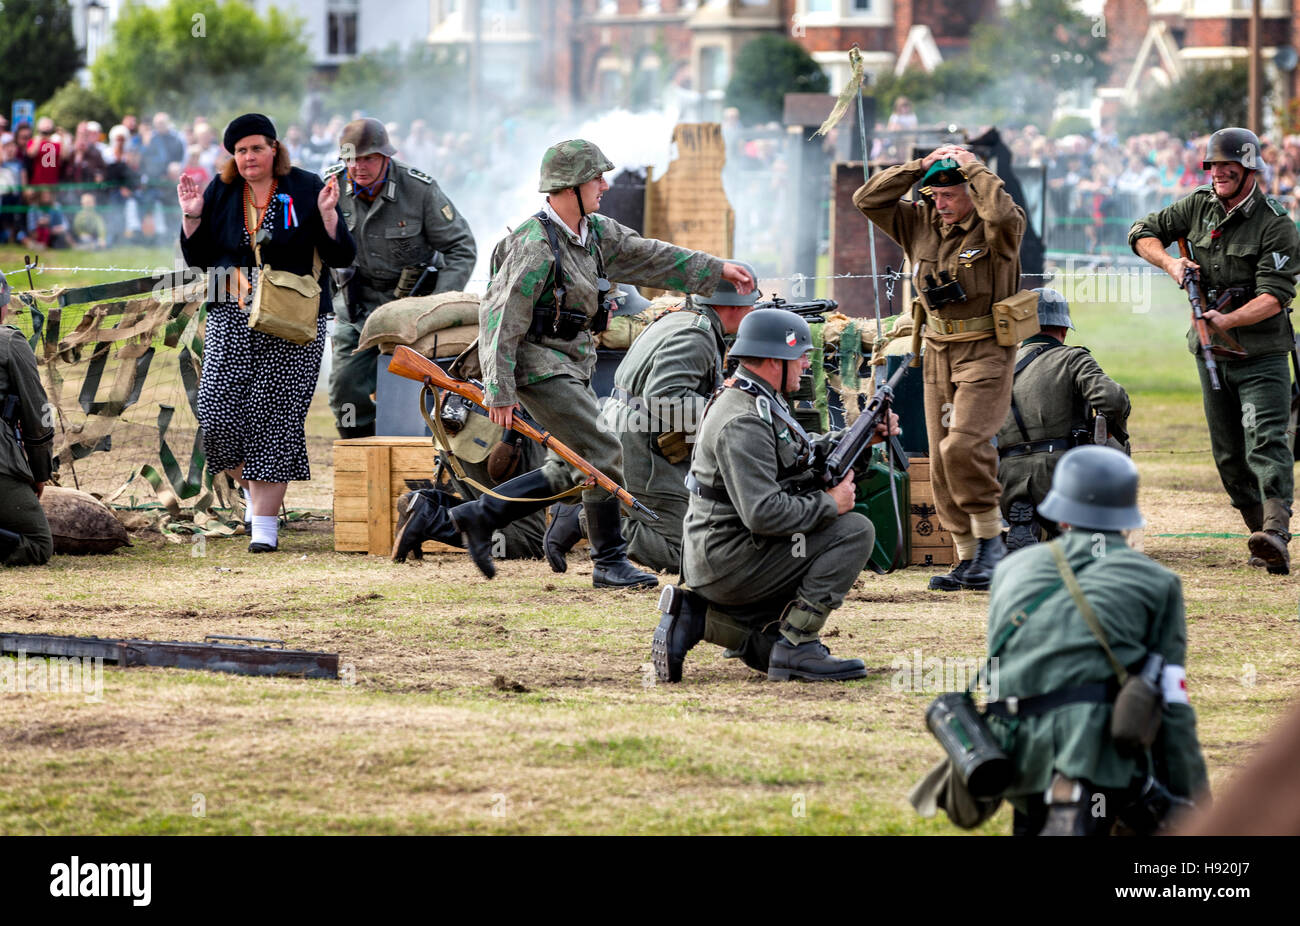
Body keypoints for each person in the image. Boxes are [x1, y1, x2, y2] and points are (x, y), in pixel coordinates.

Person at [392, 138, 754, 588]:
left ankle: (476, 517)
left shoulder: (595, 232)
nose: (605, 184)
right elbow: (500, 318)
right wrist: (499, 392)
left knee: (570, 465)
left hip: (570, 363)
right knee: (603, 451)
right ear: (569, 187)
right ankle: (609, 562)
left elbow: (649, 256)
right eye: (595, 178)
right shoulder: (534, 242)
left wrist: (716, 269)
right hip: (536, 363)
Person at [653, 309, 898, 683]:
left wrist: (863, 437)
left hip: (729, 552)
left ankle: (693, 617)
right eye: (799, 354)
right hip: (729, 559)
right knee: (854, 530)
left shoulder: (756, 399)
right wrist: (829, 504)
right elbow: (764, 513)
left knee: (766, 648)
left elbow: (800, 457)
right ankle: (798, 644)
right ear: (773, 360)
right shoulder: (744, 420)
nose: (805, 362)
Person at [982, 446, 1208, 835]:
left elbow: (999, 670)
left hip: (1013, 750)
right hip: (1101, 756)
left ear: (1062, 515)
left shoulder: (1010, 569)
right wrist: (1195, 801)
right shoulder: (1158, 582)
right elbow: (1173, 704)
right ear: (1124, 519)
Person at [178, 113, 356, 553]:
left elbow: (340, 254)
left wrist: (330, 217)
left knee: (274, 418)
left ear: (274, 148)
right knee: (216, 410)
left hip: (291, 316)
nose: (248, 157)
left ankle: (264, 528)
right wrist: (192, 216)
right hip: (228, 308)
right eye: (240, 151)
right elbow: (198, 259)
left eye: (256, 148)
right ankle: (253, 492)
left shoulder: (306, 185)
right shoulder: (222, 190)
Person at [855, 145, 1026, 591]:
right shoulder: (921, 221)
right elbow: (868, 199)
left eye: (949, 195)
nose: (939, 203)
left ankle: (993, 542)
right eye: (933, 195)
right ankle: (970, 559)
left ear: (972, 190)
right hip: (937, 351)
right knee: (939, 459)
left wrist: (973, 167)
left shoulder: (997, 228)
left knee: (963, 446)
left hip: (985, 350)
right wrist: (919, 167)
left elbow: (1004, 216)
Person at [1130, 127, 1300, 574]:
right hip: (1211, 353)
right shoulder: (1198, 206)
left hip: (1260, 353)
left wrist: (1226, 320)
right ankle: (1258, 535)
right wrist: (1170, 263)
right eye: (1213, 167)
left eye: (1229, 168)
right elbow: (1142, 231)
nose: (1219, 175)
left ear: (1249, 171)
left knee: (1266, 440)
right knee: (1228, 455)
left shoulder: (1276, 223)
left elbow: (1275, 296)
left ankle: (1278, 532)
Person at [544, 263, 760, 574]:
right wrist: (726, 410)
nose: (753, 309)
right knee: (685, 552)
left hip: (633, 430)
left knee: (701, 528)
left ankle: (600, 509)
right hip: (642, 443)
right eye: (750, 303)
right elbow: (666, 397)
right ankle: (584, 518)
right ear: (731, 306)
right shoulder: (696, 335)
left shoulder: (681, 319)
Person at [325, 118, 477, 439]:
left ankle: (422, 459)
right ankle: (360, 447)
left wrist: (439, 306)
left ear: (386, 157)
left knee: (416, 394)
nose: (358, 167)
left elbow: (460, 248)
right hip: (356, 309)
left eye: (368, 158)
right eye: (351, 159)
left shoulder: (418, 190)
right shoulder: (330, 190)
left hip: (413, 311)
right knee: (345, 391)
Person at [997, 288, 1130, 549]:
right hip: (1061, 477)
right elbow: (1113, 401)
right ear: (1064, 329)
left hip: (1006, 479)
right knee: (1116, 446)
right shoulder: (1072, 358)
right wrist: (1111, 427)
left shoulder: (1000, 366)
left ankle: (1032, 528)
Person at [0, 270, 54, 566]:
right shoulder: (9, 342)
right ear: (4, 303)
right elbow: (39, 414)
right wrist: (40, 472)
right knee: (38, 545)